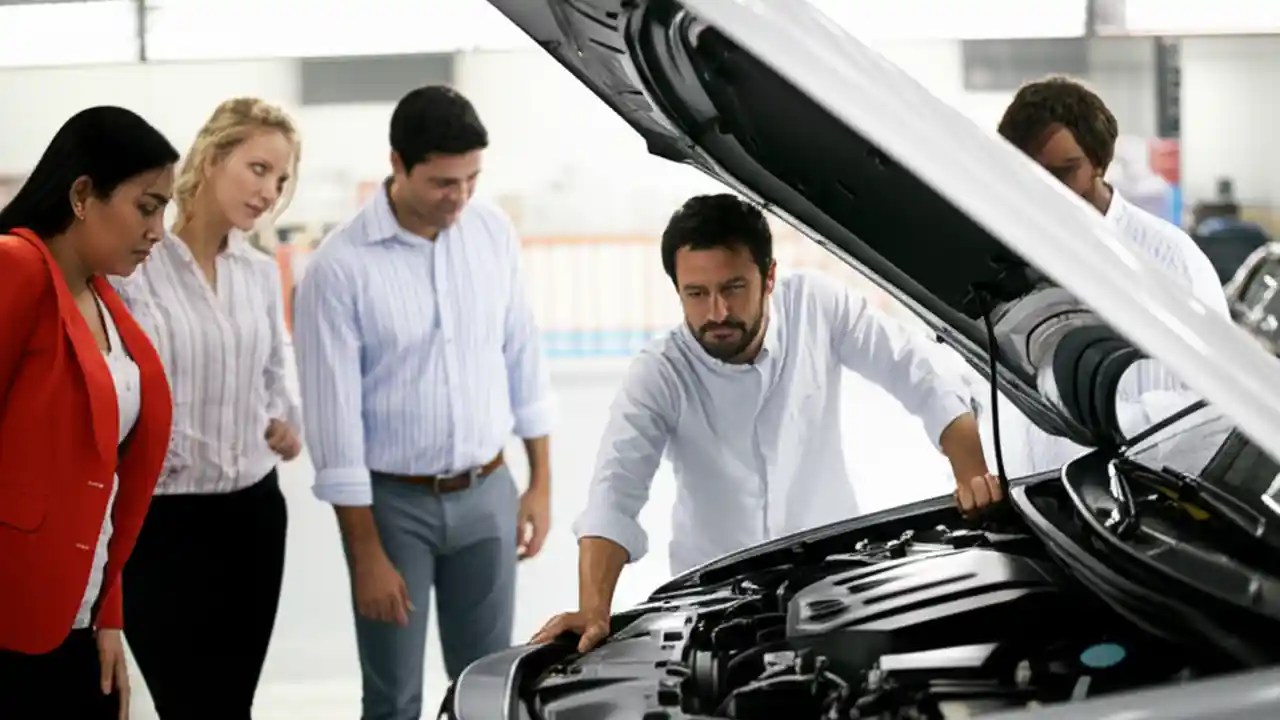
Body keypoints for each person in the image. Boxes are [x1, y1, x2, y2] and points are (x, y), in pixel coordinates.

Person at [531, 193, 999, 653]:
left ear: (769, 277)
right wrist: (594, 608)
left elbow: (917, 371)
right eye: (696, 294)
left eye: (733, 288)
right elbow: (614, 490)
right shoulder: (658, 371)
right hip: (713, 598)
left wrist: (972, 474)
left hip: (838, 575)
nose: (716, 312)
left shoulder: (819, 305)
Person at [292, 85, 554, 720]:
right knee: (394, 697)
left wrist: (540, 482)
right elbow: (335, 430)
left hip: (488, 491)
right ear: (397, 164)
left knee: (490, 685)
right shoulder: (340, 269)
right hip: (392, 509)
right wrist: (367, 555)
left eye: (471, 179)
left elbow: (522, 354)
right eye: (442, 181)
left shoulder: (490, 232)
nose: (459, 196)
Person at [108, 98, 304, 719]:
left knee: (232, 705)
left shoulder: (256, 271)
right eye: (258, 168)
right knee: (188, 704)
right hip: (160, 524)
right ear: (213, 158)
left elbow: (276, 373)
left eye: (280, 179)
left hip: (251, 514)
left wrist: (285, 420)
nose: (270, 191)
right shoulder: (135, 266)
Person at [0, 106, 178, 719]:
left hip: (79, 611)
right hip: (12, 617)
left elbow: (99, 481)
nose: (159, 230)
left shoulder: (103, 296)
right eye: (147, 206)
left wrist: (108, 614)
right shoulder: (16, 267)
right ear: (82, 194)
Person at [994, 75, 1230, 474]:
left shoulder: (1170, 260)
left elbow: (1212, 409)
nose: (1043, 191)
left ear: (1100, 163)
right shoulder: (1005, 255)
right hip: (1029, 498)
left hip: (1134, 505)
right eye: (1026, 174)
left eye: (1063, 173)